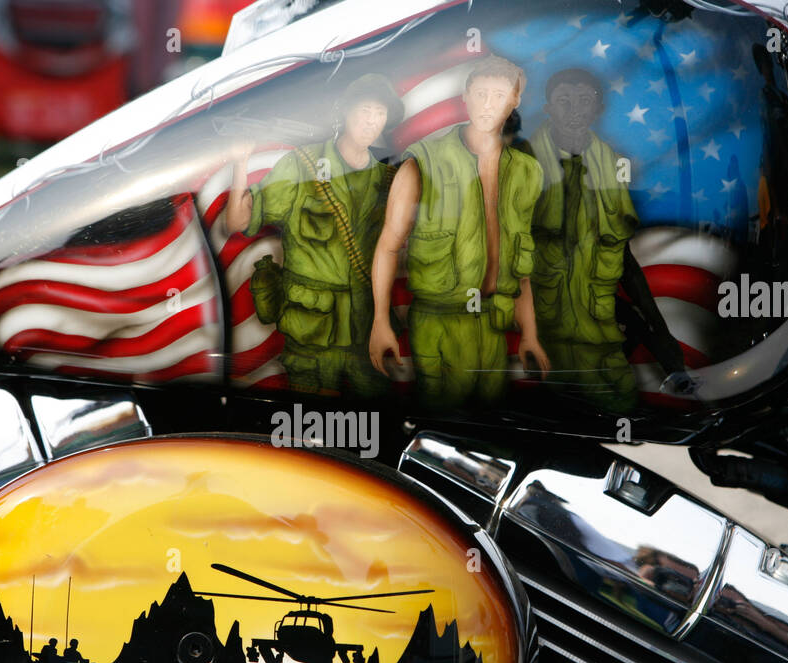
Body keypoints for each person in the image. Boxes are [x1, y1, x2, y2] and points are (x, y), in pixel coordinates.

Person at [369, 56, 550, 410]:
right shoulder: (422, 162)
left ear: (515, 101)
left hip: (494, 325)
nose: (487, 105)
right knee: (443, 422)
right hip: (439, 320)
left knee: (488, 422)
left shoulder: (527, 172)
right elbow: (388, 246)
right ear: (465, 97)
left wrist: (529, 332)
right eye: (480, 93)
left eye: (499, 95)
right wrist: (380, 321)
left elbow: (520, 262)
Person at [225, 73, 404, 396]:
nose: (371, 122)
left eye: (380, 114)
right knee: (310, 426)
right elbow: (238, 220)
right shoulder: (302, 165)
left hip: (364, 326)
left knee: (375, 423)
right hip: (312, 325)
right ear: (346, 113)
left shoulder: (389, 180)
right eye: (364, 111)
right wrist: (240, 163)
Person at [526, 67, 686, 413]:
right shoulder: (522, 164)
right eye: (564, 101)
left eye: (584, 101)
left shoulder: (611, 164)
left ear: (597, 109)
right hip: (540, 312)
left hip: (598, 309)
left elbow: (620, 253)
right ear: (548, 108)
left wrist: (661, 332)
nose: (574, 110)